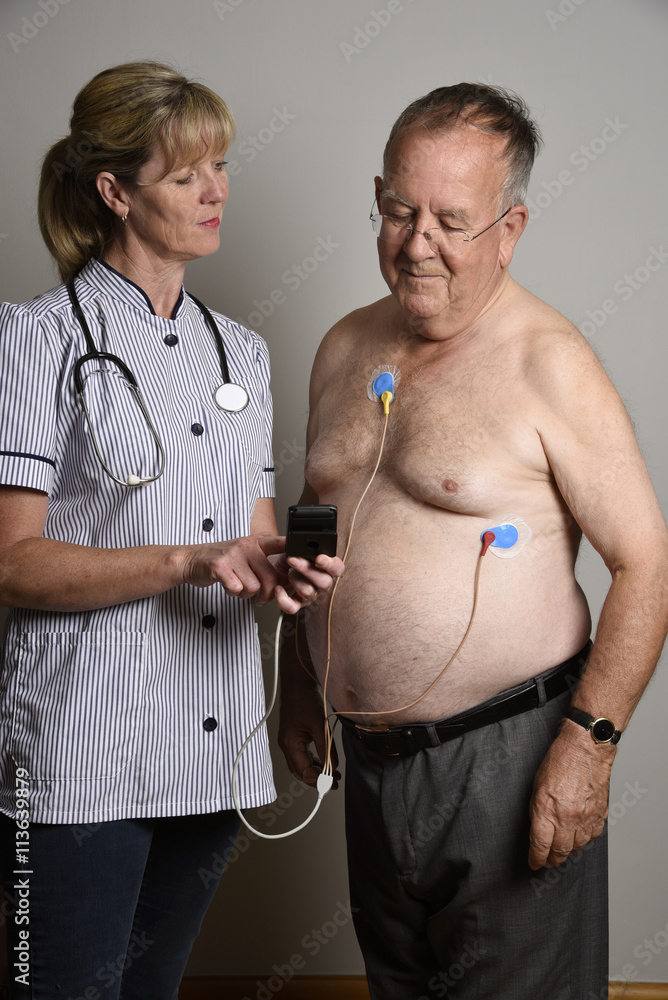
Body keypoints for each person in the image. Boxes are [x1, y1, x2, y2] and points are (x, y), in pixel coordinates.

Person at [278, 83, 668, 999]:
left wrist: (589, 747)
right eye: (398, 211)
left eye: (452, 221)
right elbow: (315, 522)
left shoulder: (549, 362)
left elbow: (647, 564)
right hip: (371, 762)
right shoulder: (342, 347)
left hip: (508, 758)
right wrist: (299, 680)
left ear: (509, 229)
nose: (418, 243)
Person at [0, 61, 342, 999]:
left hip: (211, 745)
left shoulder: (241, 352)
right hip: (80, 749)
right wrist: (188, 558)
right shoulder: (36, 338)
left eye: (220, 166)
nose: (215, 191)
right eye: (187, 174)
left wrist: (283, 568)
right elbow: (13, 563)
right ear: (115, 192)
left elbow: (251, 538)